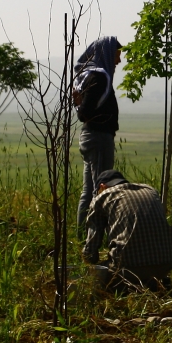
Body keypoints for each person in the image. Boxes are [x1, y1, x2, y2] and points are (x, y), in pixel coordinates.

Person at [83, 168, 172, 291]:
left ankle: (131, 285)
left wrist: (89, 263)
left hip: (128, 267)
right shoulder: (150, 190)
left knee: (97, 275)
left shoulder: (102, 197)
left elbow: (91, 248)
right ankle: (151, 282)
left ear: (102, 187)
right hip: (166, 263)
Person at [72, 36, 122, 234]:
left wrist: (79, 104)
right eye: (116, 55)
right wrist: (80, 106)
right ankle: (93, 238)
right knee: (100, 189)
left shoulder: (89, 76)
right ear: (107, 54)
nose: (118, 61)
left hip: (91, 136)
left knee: (89, 190)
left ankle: (81, 234)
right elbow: (85, 112)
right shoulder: (99, 78)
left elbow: (82, 110)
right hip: (99, 137)